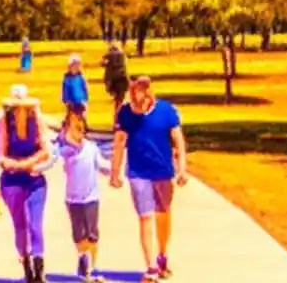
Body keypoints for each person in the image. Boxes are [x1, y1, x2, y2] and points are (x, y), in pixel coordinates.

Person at [110, 76, 188, 282]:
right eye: (134, 90)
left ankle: (162, 254)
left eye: (142, 90)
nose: (138, 94)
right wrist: (114, 172)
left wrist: (182, 169)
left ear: (149, 91)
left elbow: (178, 140)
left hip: (163, 172)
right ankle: (151, 267)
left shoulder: (166, 111)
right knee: (145, 217)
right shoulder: (125, 113)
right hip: (138, 173)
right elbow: (119, 143)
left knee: (163, 215)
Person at [0, 84, 51, 283]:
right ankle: (26, 263)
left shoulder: (37, 120)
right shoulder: (4, 123)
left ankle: (39, 267)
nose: (19, 109)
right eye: (16, 106)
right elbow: (0, 156)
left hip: (34, 178)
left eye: (22, 106)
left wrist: (26, 164)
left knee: (36, 223)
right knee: (21, 224)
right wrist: (16, 165)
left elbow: (46, 150)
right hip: (11, 180)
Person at [47, 111, 111, 283]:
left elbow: (102, 165)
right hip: (73, 199)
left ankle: (91, 269)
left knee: (92, 235)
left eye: (81, 129)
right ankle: (84, 258)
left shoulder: (91, 148)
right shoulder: (64, 150)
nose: (79, 133)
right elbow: (50, 159)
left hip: (91, 197)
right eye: (74, 129)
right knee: (78, 235)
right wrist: (35, 169)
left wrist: (115, 170)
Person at [101, 40, 129, 116]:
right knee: (120, 100)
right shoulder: (122, 55)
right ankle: (120, 116)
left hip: (113, 80)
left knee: (117, 101)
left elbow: (102, 63)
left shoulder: (108, 56)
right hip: (122, 79)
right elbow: (125, 69)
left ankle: (117, 117)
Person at [62, 54, 90, 118]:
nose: (77, 67)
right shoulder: (67, 78)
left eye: (78, 65)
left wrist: (85, 100)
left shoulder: (81, 77)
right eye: (74, 65)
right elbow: (65, 90)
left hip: (81, 102)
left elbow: (85, 88)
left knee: (82, 118)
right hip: (71, 103)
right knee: (71, 118)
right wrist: (66, 100)